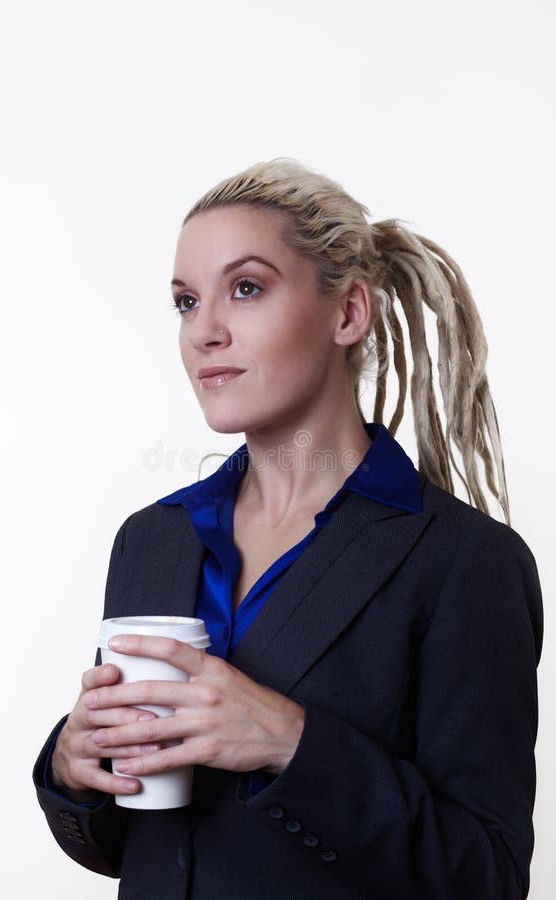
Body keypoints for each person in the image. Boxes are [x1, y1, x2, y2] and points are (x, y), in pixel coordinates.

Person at [33, 158, 543, 900]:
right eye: (185, 301)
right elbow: (148, 850)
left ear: (348, 313)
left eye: (245, 289)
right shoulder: (154, 538)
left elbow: (488, 876)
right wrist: (73, 767)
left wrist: (289, 742)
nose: (205, 330)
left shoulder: (464, 561)